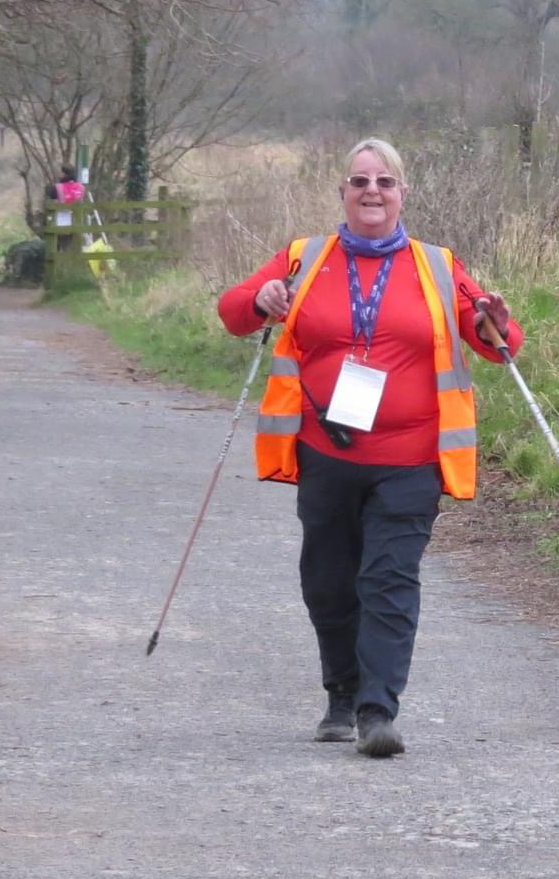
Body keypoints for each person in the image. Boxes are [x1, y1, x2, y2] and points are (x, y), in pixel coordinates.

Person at [217, 138, 520, 758]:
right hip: (324, 452)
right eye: (360, 181)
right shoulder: (304, 258)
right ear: (343, 193)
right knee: (327, 581)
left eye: (385, 181)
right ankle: (341, 692)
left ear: (403, 192)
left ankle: (378, 711)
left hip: (410, 458)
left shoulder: (437, 266)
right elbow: (233, 314)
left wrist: (496, 318)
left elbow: (498, 344)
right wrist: (261, 299)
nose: (372, 191)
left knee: (388, 577)